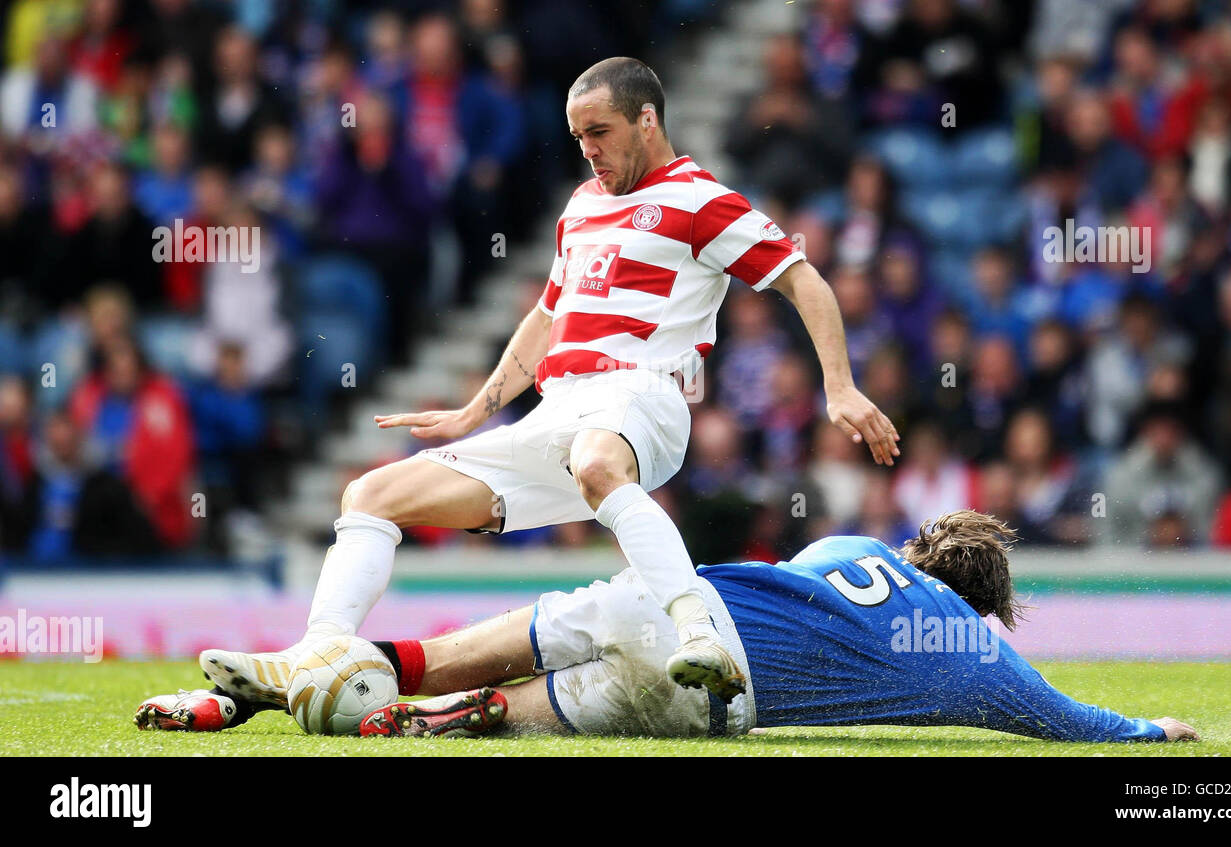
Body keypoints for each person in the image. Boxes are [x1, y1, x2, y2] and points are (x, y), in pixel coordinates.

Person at [195, 57, 900, 709]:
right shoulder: (581, 205)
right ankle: (316, 652)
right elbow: (546, 315)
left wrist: (839, 386)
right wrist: (476, 408)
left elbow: (802, 278)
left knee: (598, 461)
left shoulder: (701, 200)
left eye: (600, 131)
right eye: (577, 136)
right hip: (555, 411)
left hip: (644, 396)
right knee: (370, 494)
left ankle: (699, 632)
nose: (588, 148)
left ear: (646, 120)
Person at [136, 511, 1197, 743]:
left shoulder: (845, 550)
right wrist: (1153, 735)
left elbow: (801, 571)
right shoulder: (970, 655)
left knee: (453, 651)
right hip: (704, 702)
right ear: (985, 606)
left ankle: (280, 680)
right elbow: (1070, 724)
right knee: (491, 719)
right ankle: (396, 722)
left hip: (683, 608)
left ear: (921, 554)